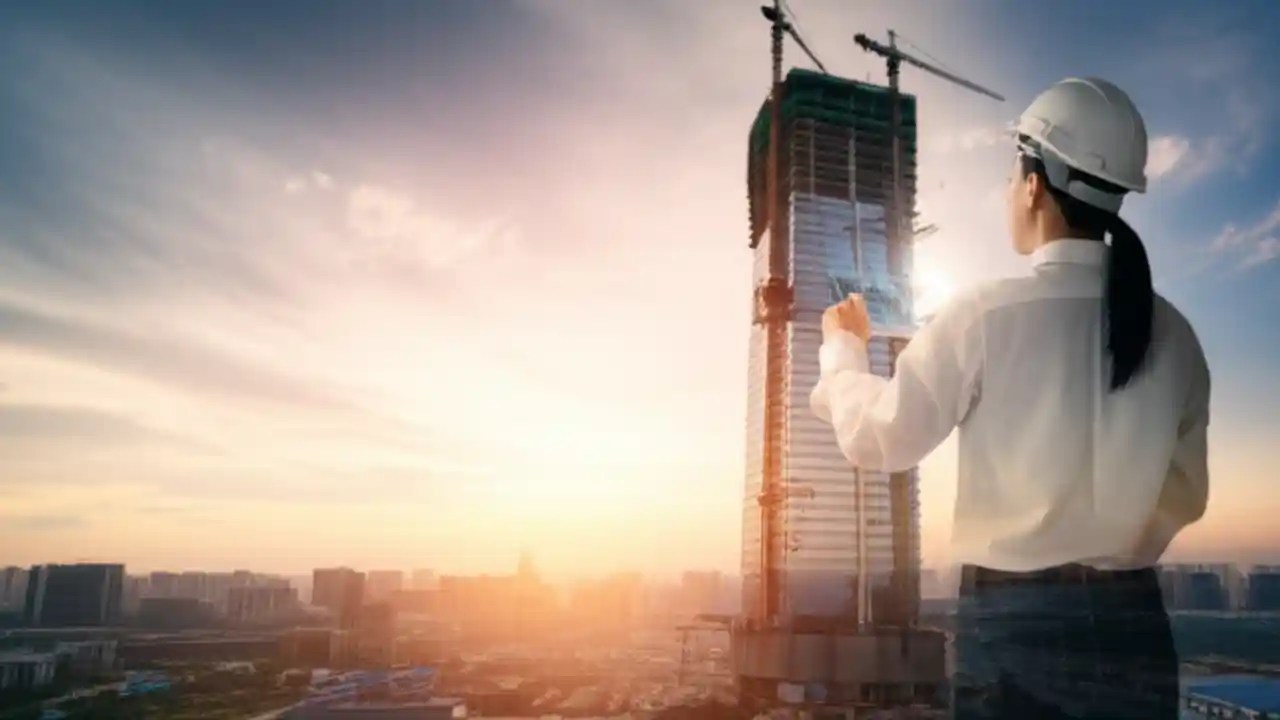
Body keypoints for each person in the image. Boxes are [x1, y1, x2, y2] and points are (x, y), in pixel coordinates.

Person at [809, 77, 1210, 719]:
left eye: (1010, 175)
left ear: (1033, 185)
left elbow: (878, 438)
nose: (1006, 193)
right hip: (1134, 618)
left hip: (1011, 624)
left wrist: (843, 354)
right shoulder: (1175, 334)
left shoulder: (983, 315)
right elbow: (1185, 491)